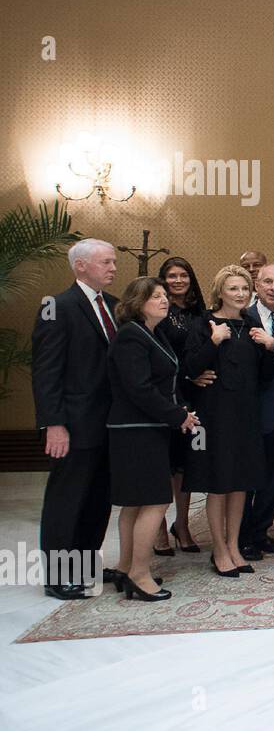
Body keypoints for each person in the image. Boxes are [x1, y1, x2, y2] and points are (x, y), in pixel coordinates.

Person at [31, 238, 119, 598]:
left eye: (113, 262)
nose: (113, 267)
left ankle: (85, 565)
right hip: (73, 424)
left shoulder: (114, 306)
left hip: (110, 423)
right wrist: (54, 424)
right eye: (106, 262)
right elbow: (46, 371)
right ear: (80, 265)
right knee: (67, 499)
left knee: (99, 498)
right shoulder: (58, 306)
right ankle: (57, 575)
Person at [105, 278, 200, 601]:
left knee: (136, 502)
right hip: (136, 430)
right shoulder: (132, 335)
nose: (164, 300)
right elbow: (139, 388)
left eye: (164, 296)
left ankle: (125, 566)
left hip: (146, 428)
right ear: (137, 301)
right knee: (156, 501)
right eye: (156, 296)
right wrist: (178, 416)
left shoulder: (151, 333)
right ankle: (140, 574)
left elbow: (164, 383)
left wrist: (181, 408)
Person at [183, 264, 274, 577]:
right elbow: (190, 368)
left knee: (241, 485)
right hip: (215, 414)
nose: (240, 294)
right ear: (220, 292)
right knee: (220, 484)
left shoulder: (252, 324)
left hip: (246, 413)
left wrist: (270, 348)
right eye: (233, 288)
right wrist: (213, 341)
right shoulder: (204, 323)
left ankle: (235, 545)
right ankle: (219, 550)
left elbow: (265, 377)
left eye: (244, 289)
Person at [239, 263, 274, 561]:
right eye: (267, 282)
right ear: (256, 286)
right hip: (253, 412)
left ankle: (261, 531)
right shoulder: (243, 319)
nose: (273, 288)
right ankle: (242, 536)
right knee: (249, 477)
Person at [153, 255, 205, 555]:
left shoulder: (198, 311)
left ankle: (181, 524)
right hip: (165, 394)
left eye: (183, 275)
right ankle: (159, 526)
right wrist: (189, 374)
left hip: (193, 397)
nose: (178, 281)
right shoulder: (159, 309)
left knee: (184, 467)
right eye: (171, 276)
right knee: (163, 464)